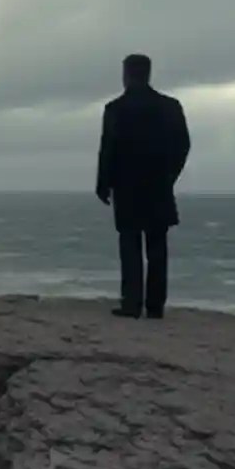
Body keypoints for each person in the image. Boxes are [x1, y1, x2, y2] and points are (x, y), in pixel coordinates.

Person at [96, 54, 191, 319]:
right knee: (157, 247)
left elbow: (108, 150)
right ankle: (155, 305)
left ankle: (132, 303)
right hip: (159, 185)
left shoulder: (115, 109)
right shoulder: (170, 106)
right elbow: (183, 145)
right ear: (148, 74)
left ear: (126, 74)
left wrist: (103, 184)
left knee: (130, 245)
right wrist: (170, 175)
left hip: (126, 187)